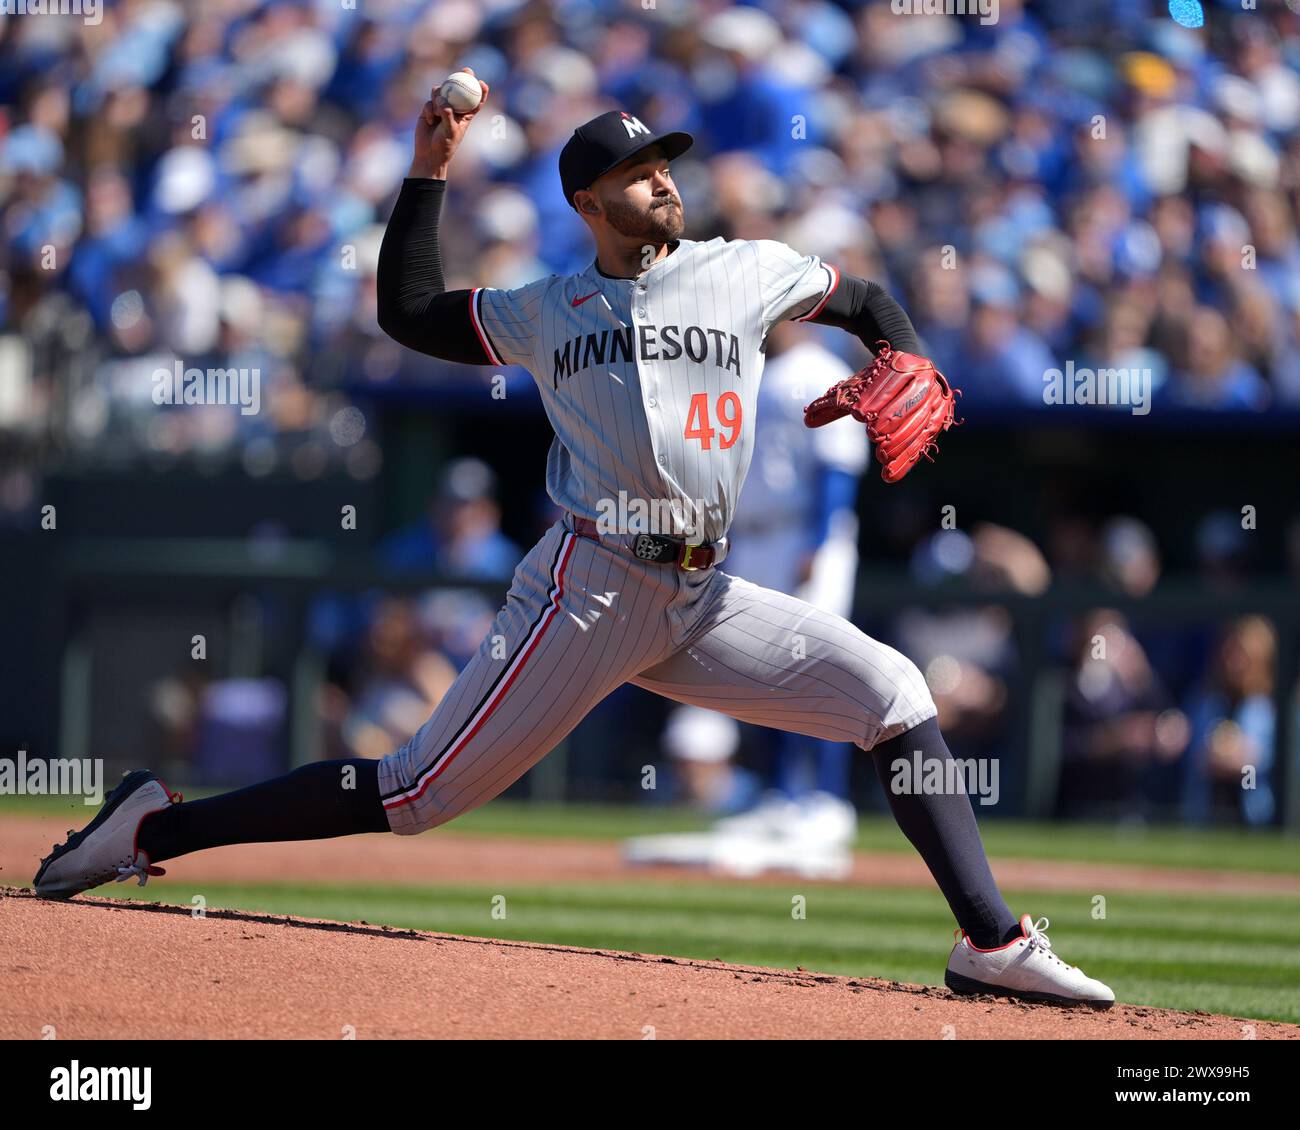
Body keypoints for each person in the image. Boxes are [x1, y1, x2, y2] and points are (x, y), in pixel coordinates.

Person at [35, 76, 1112, 1007]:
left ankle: (992, 943)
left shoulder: (744, 268)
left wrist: (907, 354)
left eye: (667, 163)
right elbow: (410, 311)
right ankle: (151, 827)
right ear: (588, 200)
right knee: (412, 794)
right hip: (589, 587)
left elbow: (867, 295)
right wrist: (427, 170)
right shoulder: (547, 306)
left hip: (701, 593)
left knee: (895, 693)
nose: (665, 181)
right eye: (640, 170)